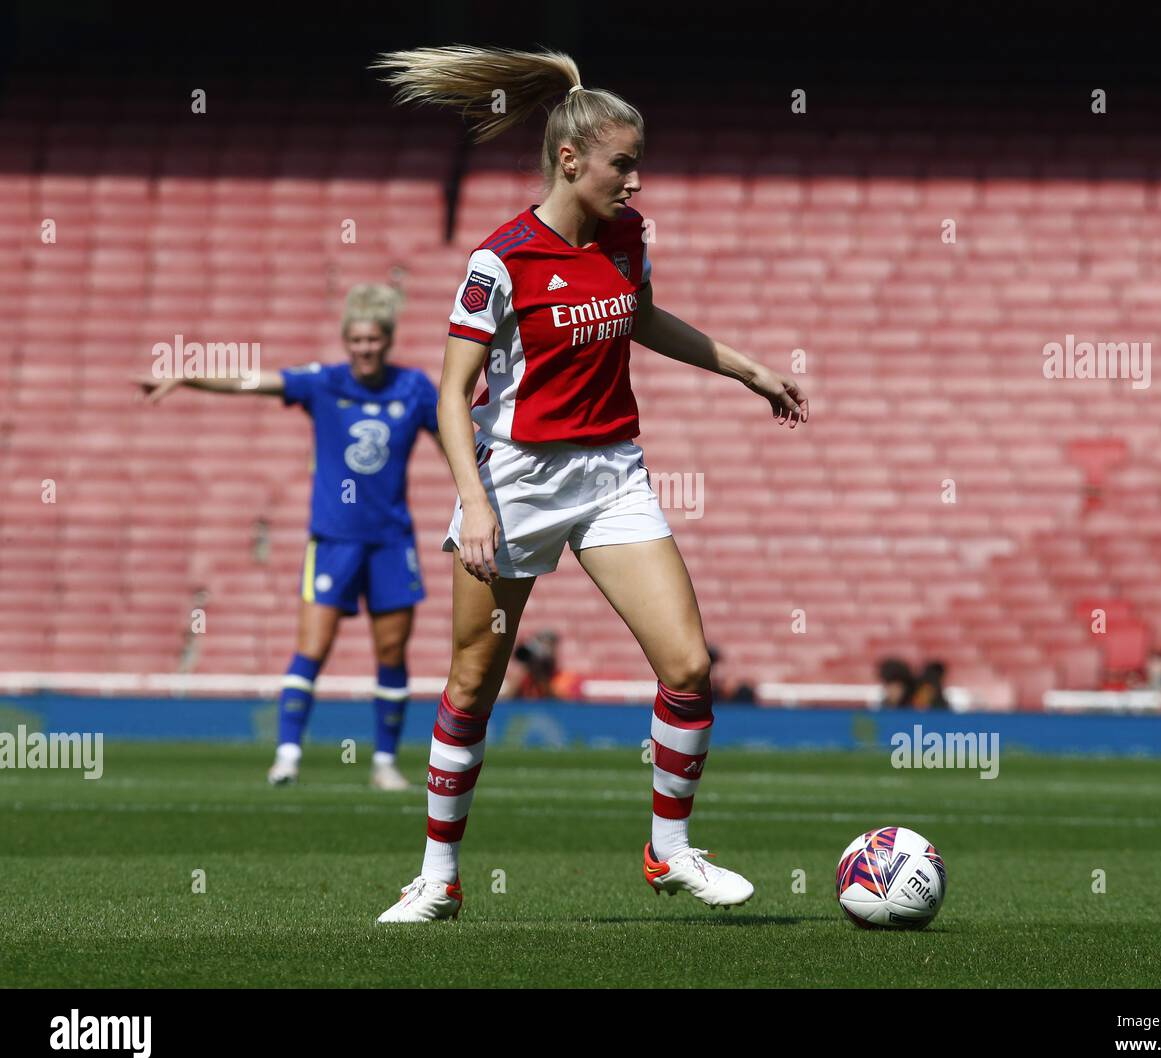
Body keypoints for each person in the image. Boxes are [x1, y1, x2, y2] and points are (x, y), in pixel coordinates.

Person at [371, 45, 809, 922]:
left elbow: (643, 321)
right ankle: (437, 875)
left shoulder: (625, 237)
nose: (636, 182)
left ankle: (670, 850)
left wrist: (747, 369)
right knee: (471, 686)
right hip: (519, 481)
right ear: (571, 159)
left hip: (613, 473)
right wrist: (480, 502)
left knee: (688, 665)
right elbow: (454, 395)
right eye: (624, 164)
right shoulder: (501, 261)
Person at [138, 284, 443, 790]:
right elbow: (249, 382)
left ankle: (384, 764)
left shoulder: (413, 388)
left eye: (373, 338)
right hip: (334, 539)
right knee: (312, 648)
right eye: (356, 339)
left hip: (392, 541)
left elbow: (454, 439)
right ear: (346, 341)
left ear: (388, 340)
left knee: (391, 653)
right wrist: (187, 377)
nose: (365, 347)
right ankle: (287, 755)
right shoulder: (323, 382)